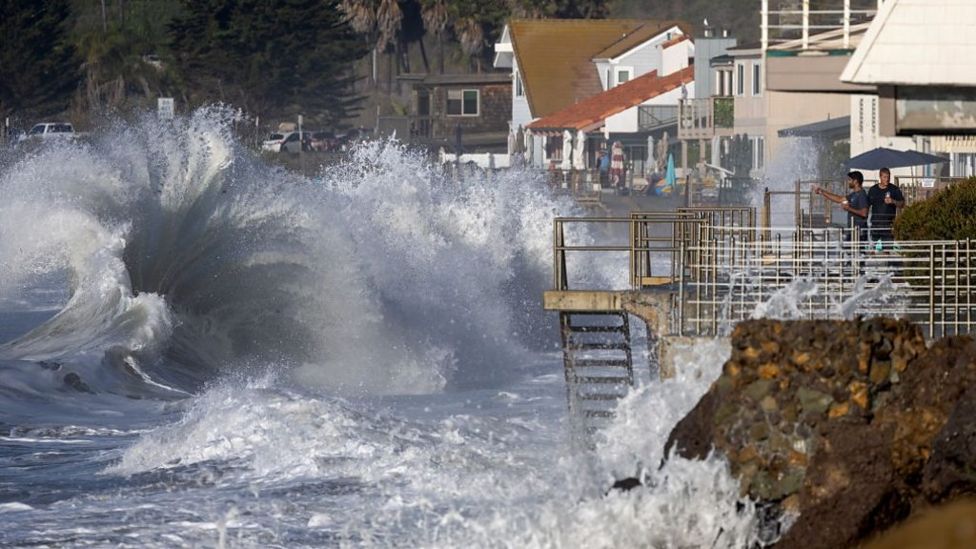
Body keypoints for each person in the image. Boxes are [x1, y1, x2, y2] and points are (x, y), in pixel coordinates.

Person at [814, 171, 869, 242]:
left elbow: (864, 213)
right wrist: (822, 192)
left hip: (859, 231)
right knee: (846, 249)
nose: (848, 182)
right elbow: (839, 199)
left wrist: (848, 208)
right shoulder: (854, 194)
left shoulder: (862, 194)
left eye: (850, 180)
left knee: (853, 251)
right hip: (852, 230)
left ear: (855, 181)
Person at [867, 167, 905, 245]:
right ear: (880, 177)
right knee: (873, 250)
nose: (887, 179)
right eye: (884, 177)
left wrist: (893, 201)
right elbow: (867, 205)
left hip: (889, 225)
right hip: (875, 224)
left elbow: (902, 204)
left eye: (888, 177)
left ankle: (886, 254)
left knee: (887, 250)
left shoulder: (894, 189)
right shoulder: (873, 190)